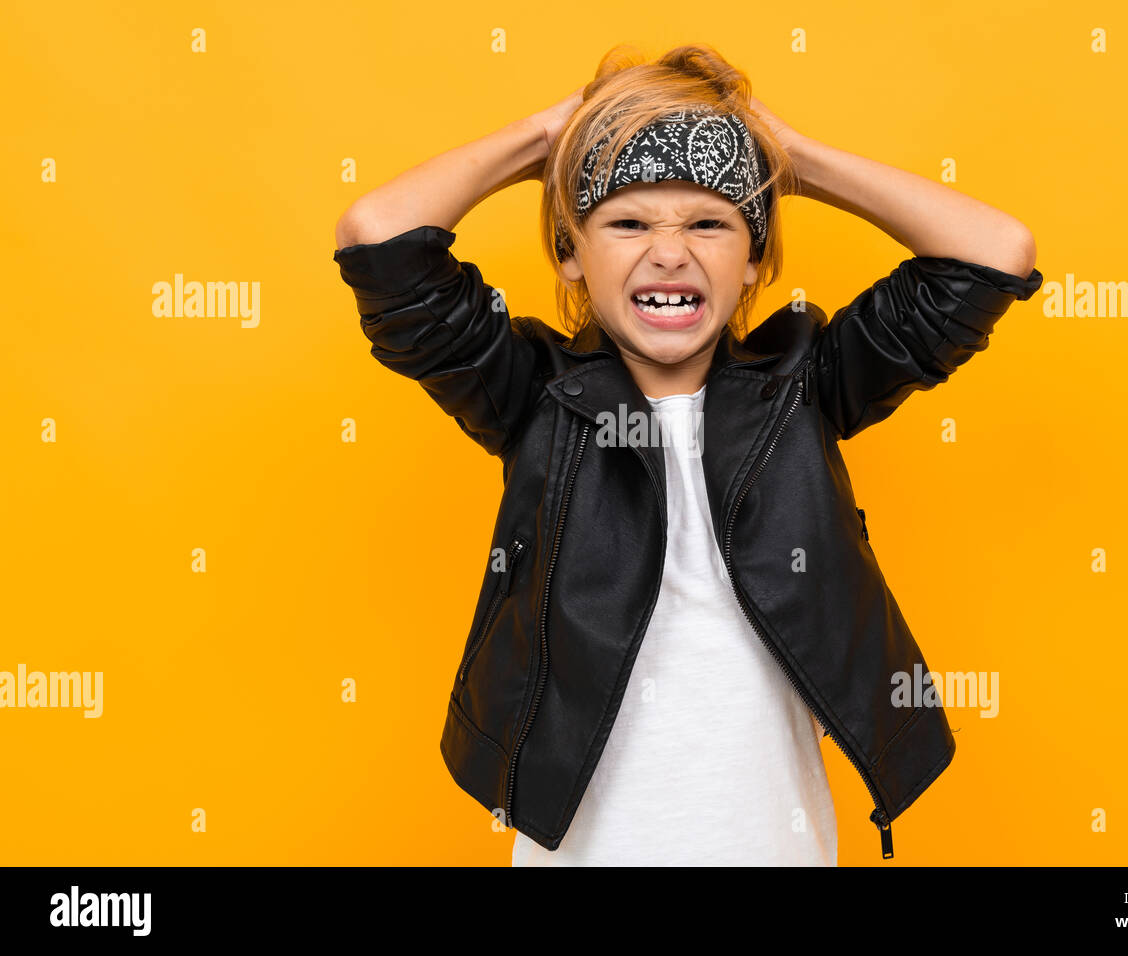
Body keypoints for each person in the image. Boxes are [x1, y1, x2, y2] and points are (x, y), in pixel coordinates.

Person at [332, 43, 1043, 866]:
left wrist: (793, 157)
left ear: (752, 262)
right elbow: (378, 238)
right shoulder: (533, 396)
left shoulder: (805, 389)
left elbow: (996, 252)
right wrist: (544, 139)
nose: (670, 251)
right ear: (570, 252)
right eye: (628, 222)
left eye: (710, 222)